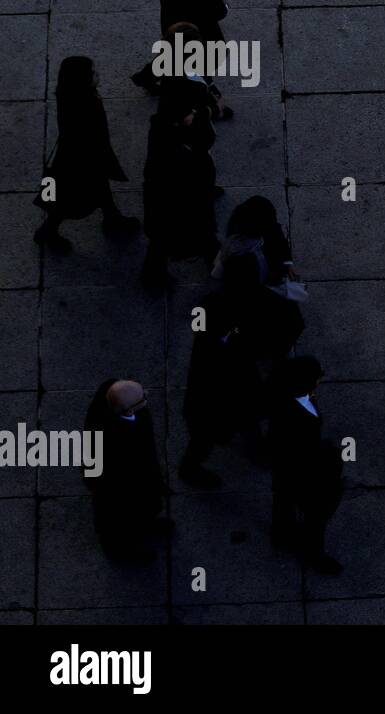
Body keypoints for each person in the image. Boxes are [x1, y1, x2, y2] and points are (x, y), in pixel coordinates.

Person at [33, 56, 140, 252]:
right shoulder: (83, 102)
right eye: (93, 73)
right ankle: (46, 232)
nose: (97, 75)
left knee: (99, 189)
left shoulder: (72, 94)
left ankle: (112, 217)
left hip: (85, 157)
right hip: (82, 161)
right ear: (81, 79)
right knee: (67, 200)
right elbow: (87, 136)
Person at [179, 291, 264, 489]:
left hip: (219, 399)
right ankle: (189, 469)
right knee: (203, 440)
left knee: (243, 423)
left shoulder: (209, 333)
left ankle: (256, 446)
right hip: (217, 403)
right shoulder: (223, 346)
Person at [268, 356, 344, 575]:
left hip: (287, 468)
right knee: (316, 516)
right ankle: (313, 553)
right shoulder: (297, 410)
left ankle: (282, 532)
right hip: (303, 471)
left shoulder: (284, 399)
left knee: (283, 498)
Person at [140, 92, 219, 289]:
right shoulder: (173, 150)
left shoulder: (164, 131)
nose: (192, 115)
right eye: (188, 114)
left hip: (175, 197)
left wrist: (207, 110)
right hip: (176, 200)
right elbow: (204, 143)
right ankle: (153, 275)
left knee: (161, 241)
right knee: (165, 239)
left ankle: (210, 253)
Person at [84, 379, 167, 562]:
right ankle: (121, 552)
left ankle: (146, 523)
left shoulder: (113, 392)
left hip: (140, 476)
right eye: (142, 397)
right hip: (119, 491)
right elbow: (92, 474)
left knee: (144, 506)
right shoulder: (102, 439)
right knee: (120, 523)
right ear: (128, 410)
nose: (146, 396)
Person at [212, 196, 304, 360]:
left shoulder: (250, 227)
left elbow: (277, 236)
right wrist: (281, 293)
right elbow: (248, 294)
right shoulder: (240, 261)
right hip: (255, 296)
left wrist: (287, 262)